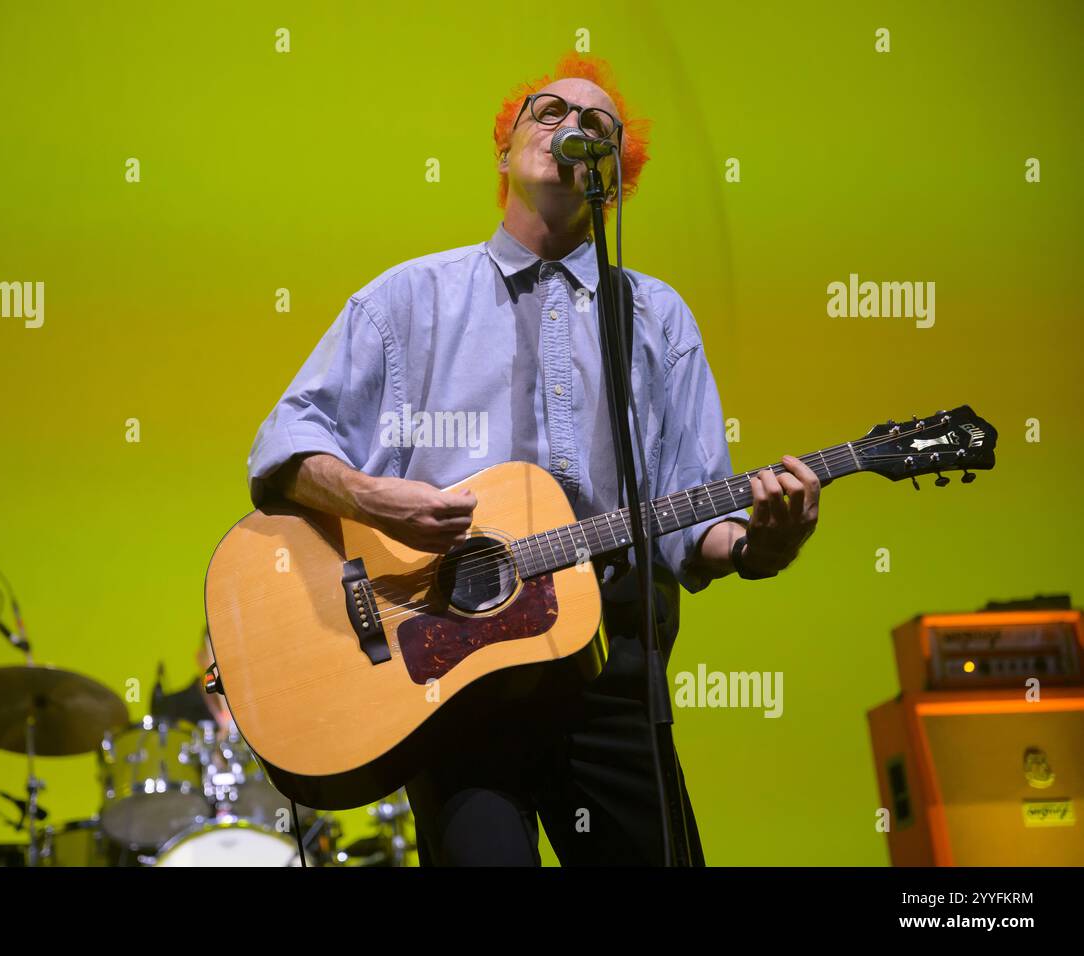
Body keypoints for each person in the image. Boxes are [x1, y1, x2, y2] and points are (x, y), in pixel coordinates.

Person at [245, 53, 821, 865]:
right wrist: (376, 500)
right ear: (504, 151)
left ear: (614, 180)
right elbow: (283, 448)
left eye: (599, 126)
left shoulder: (656, 318)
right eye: (549, 113)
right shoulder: (409, 300)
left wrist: (764, 541)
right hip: (448, 678)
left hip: (610, 672)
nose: (573, 129)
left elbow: (696, 523)